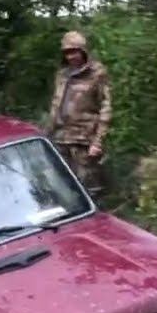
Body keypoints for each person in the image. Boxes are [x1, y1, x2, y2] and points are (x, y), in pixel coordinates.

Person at [45, 31, 112, 201]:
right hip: (60, 137)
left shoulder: (97, 73)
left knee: (90, 186)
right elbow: (56, 104)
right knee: (62, 184)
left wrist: (97, 142)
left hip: (84, 139)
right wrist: (47, 133)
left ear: (83, 51)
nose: (71, 56)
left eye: (75, 51)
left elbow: (105, 107)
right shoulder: (62, 74)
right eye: (67, 52)